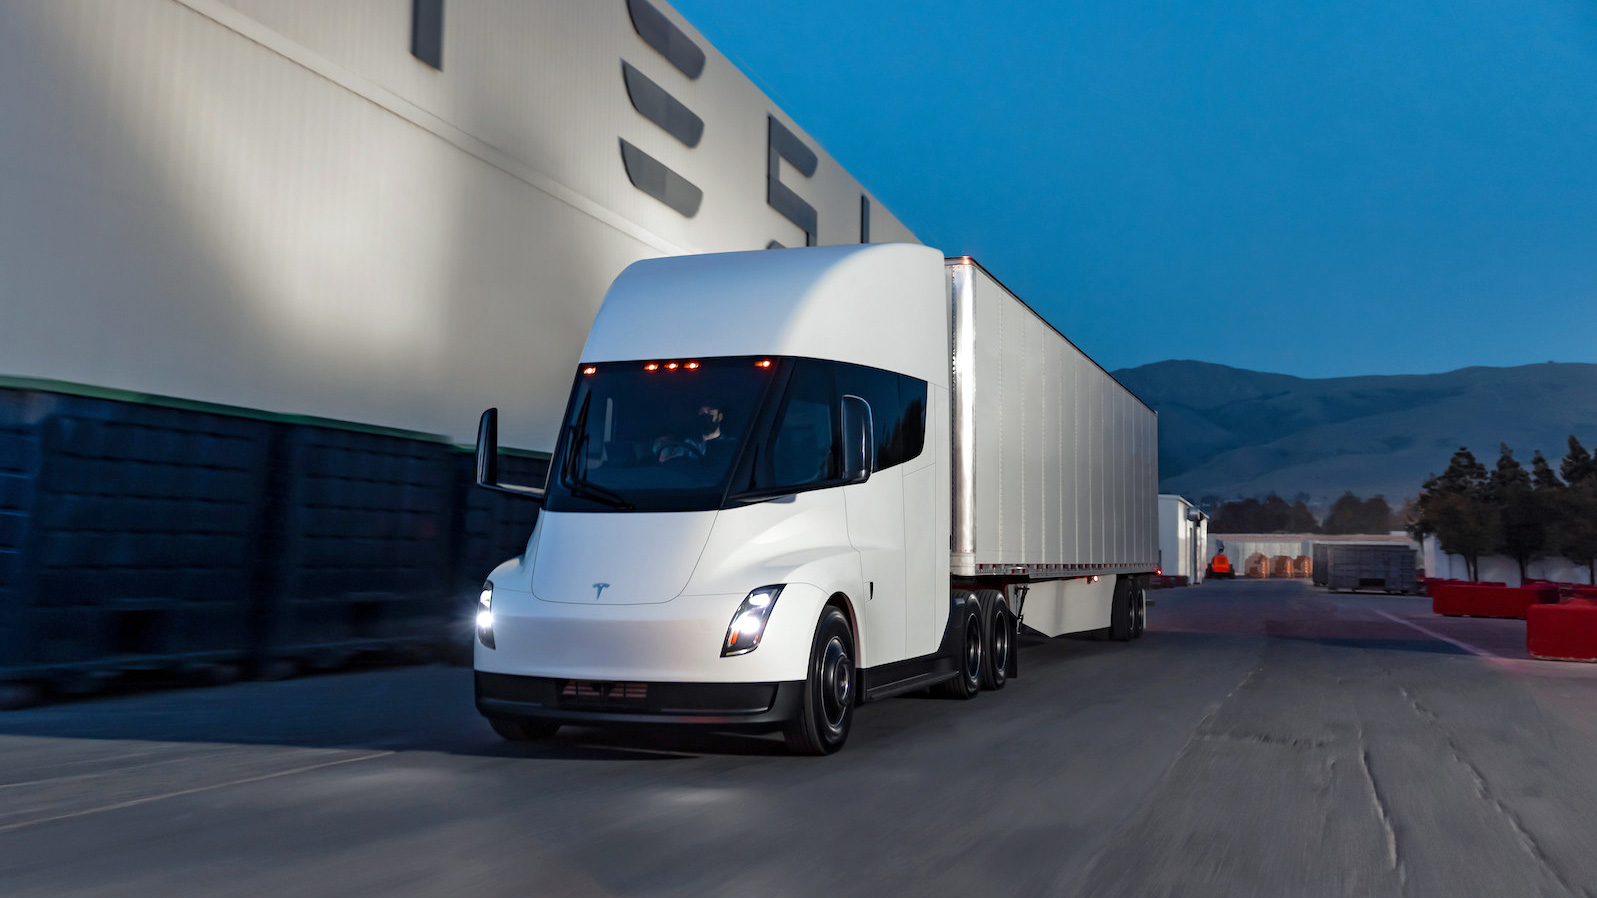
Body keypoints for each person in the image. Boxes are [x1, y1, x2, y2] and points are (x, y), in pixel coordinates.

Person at [654, 402, 726, 463]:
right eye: (701, 414)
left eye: (709, 413)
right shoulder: (690, 444)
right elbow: (667, 461)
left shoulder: (728, 444)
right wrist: (664, 441)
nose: (704, 418)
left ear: (720, 416)